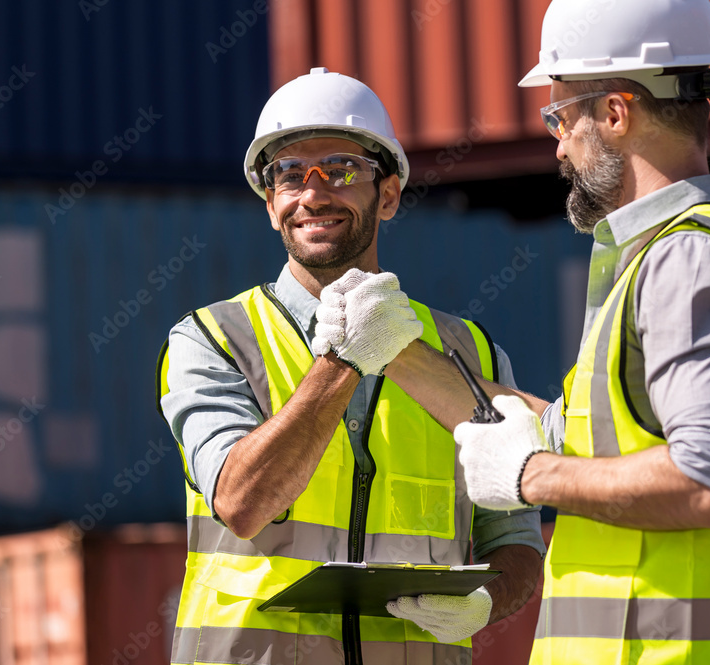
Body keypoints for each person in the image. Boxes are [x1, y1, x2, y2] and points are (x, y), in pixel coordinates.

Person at [314, 1, 710, 663]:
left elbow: (709, 481)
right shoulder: (659, 258)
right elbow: (566, 434)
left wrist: (533, 476)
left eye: (560, 117)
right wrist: (396, 351)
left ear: (615, 114)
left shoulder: (683, 259)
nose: (557, 144)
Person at [155, 67, 545, 665]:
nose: (312, 195)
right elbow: (242, 503)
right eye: (288, 175)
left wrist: (485, 600)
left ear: (386, 195)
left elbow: (514, 540)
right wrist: (344, 360)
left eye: (338, 170)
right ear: (270, 203)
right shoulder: (212, 340)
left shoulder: (472, 352)